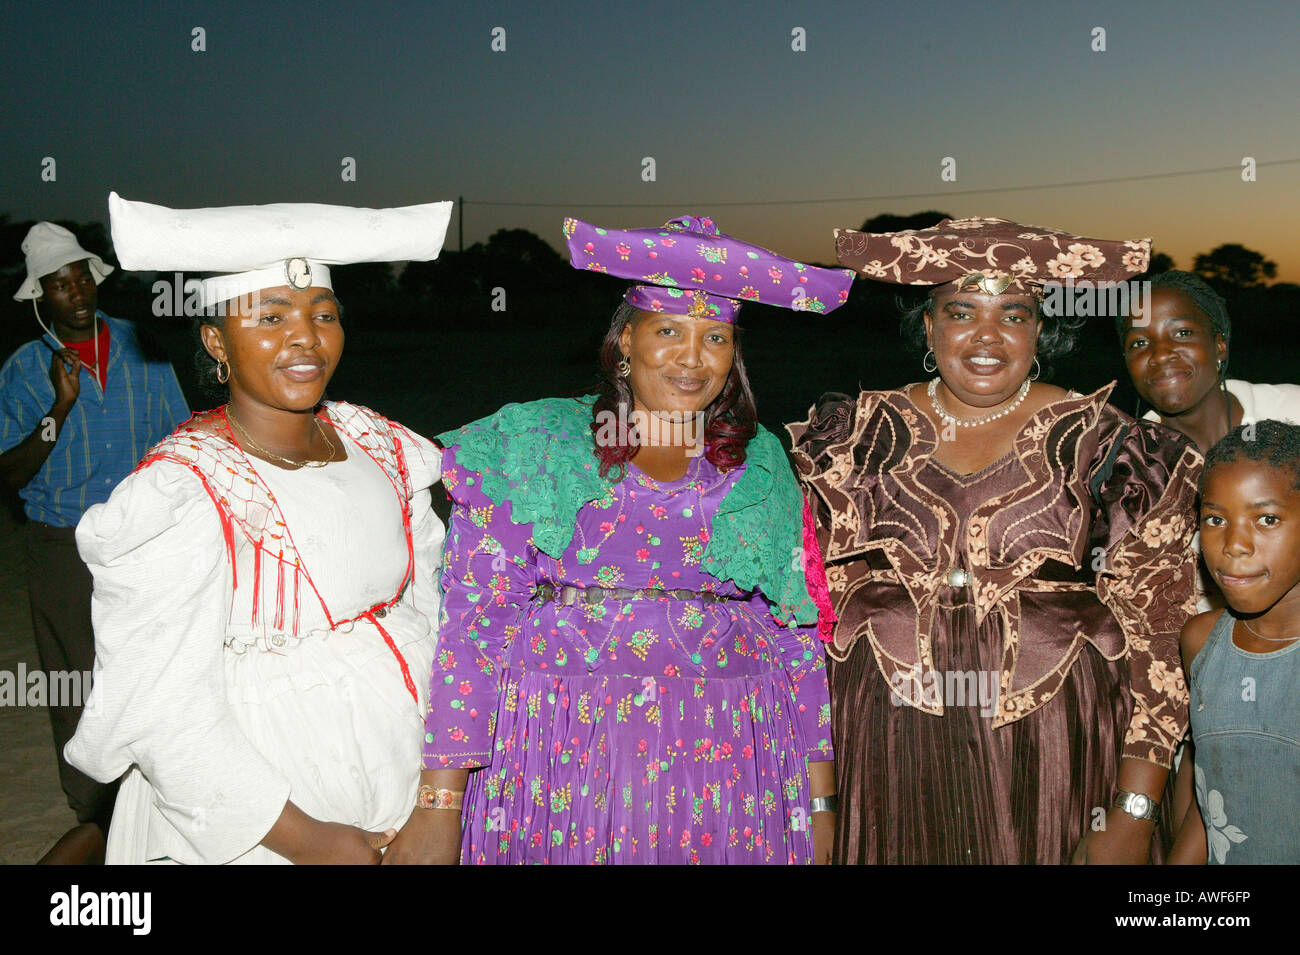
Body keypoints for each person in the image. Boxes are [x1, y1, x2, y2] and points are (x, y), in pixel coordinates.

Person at [402, 215, 850, 865]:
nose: (692, 357)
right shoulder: (537, 444)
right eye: (668, 330)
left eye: (715, 336)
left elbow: (797, 637)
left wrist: (820, 805)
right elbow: (473, 626)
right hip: (559, 761)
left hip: (727, 765)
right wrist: (439, 804)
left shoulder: (761, 468)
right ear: (624, 342)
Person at [793, 217, 1202, 863]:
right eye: (961, 310)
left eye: (1013, 313)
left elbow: (1160, 640)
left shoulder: (1117, 449)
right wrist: (820, 801)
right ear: (927, 325)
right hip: (884, 760)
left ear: (1042, 329)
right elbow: (805, 624)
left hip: (1058, 760)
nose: (987, 336)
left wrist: (1132, 809)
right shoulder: (848, 440)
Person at [64, 193, 453, 864]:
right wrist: (312, 841)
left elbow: (437, 614)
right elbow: (164, 708)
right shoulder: (185, 488)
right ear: (216, 340)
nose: (305, 337)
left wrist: (439, 795)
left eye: (323, 314)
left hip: (408, 781)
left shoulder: (380, 445)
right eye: (271, 316)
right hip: (262, 822)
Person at [1, 222, 188, 861]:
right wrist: (59, 406)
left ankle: (161, 792)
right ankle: (95, 812)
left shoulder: (141, 343)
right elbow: (10, 470)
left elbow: (178, 440)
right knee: (74, 680)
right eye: (60, 284)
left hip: (142, 540)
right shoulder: (25, 370)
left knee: (153, 664)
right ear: (40, 297)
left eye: (82, 277)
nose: (76, 292)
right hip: (62, 545)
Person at [1170, 421, 1300, 864]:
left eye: (1267, 519)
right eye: (1215, 519)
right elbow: (1213, 801)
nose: (1234, 545)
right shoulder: (1203, 642)